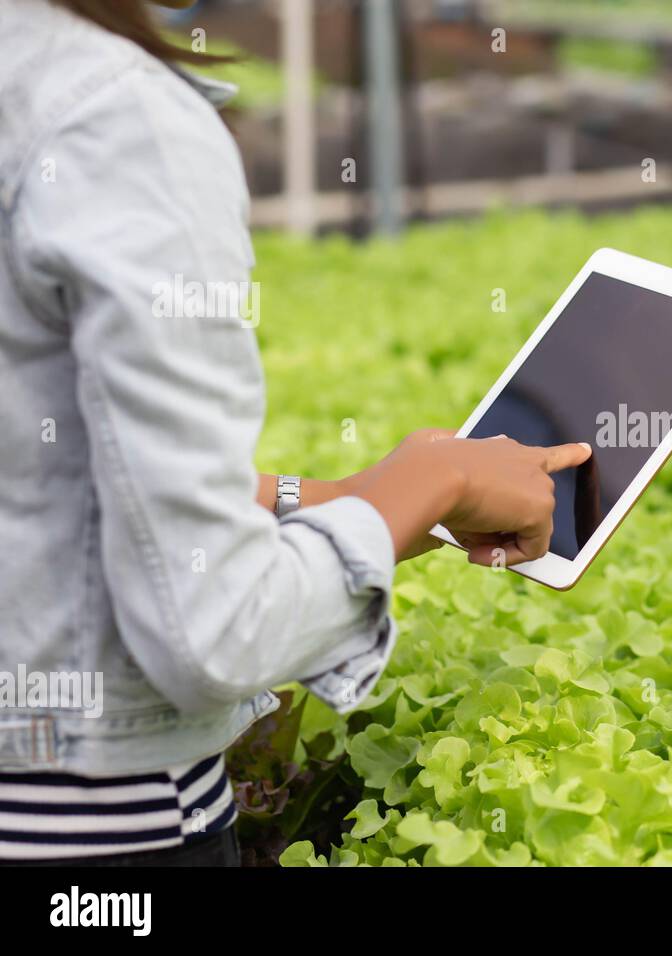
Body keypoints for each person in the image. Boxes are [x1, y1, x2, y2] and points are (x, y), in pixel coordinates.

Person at [0, 0, 589, 865]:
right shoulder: (115, 116)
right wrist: (435, 485)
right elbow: (213, 632)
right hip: (88, 847)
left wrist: (364, 502)